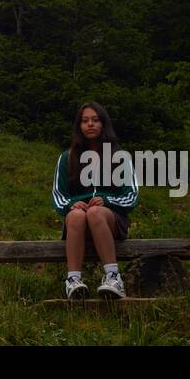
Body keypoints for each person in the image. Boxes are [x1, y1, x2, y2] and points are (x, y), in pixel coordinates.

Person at [51, 101, 138, 299]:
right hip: (79, 223)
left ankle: (113, 278)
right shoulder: (67, 157)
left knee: (95, 212)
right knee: (75, 216)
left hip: (109, 220)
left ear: (103, 124)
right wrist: (71, 204)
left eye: (95, 120)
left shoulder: (119, 157)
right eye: (85, 121)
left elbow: (131, 195)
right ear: (79, 126)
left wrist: (106, 200)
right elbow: (58, 195)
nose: (90, 124)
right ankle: (73, 280)